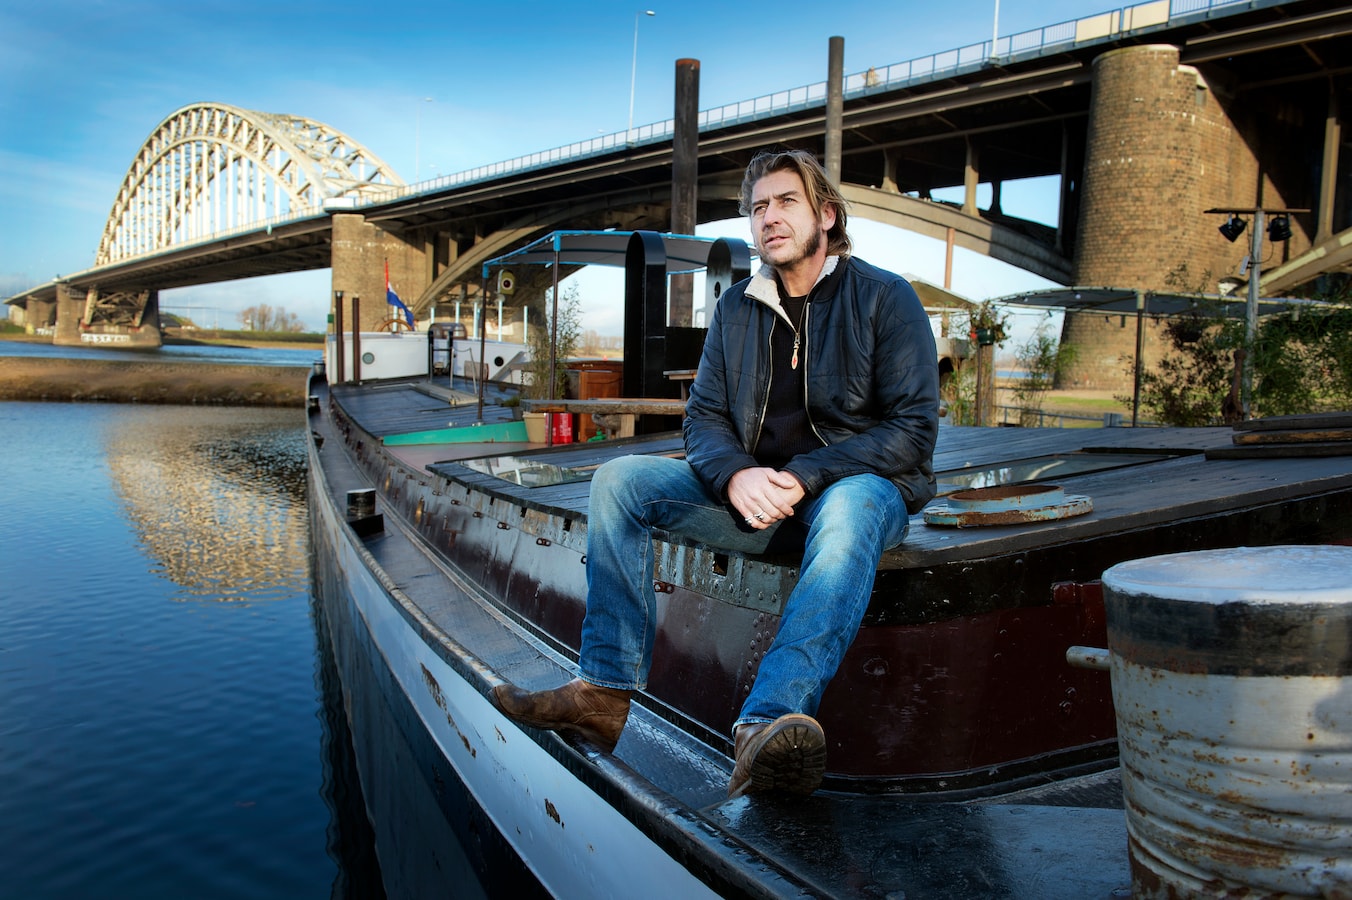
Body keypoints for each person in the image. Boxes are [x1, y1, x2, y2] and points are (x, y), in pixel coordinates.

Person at [492, 148, 940, 797]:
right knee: (619, 481)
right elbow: (701, 420)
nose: (769, 217)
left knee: (849, 510)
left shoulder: (883, 298)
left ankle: (766, 722)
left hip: (852, 494)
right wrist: (734, 476)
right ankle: (602, 692)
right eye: (758, 207)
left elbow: (913, 431)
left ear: (828, 215)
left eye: (786, 202)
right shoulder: (736, 309)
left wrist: (808, 474)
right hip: (755, 499)